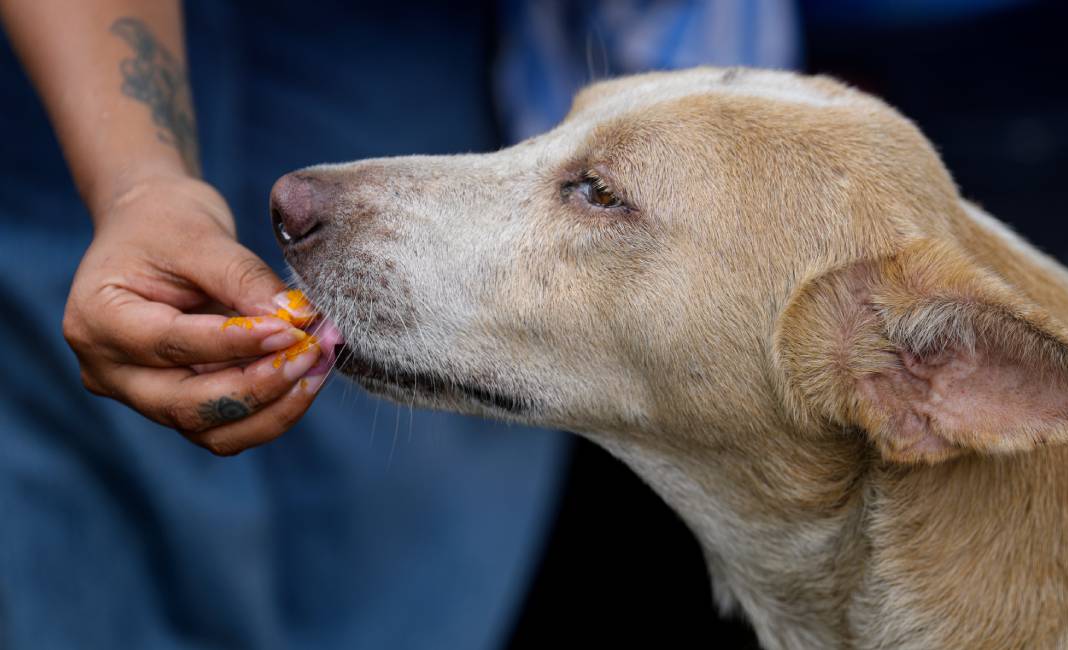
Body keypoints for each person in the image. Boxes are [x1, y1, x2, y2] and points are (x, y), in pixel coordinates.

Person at [0, 1, 796, 647]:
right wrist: (138, 187)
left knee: (406, 542)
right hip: (58, 61)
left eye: (597, 192)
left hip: (434, 29)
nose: (311, 205)